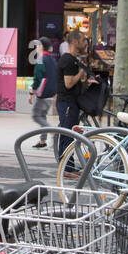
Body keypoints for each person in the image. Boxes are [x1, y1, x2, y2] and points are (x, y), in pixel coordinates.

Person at [55, 29, 88, 165]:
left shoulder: (73, 60)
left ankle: (69, 166)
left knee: (69, 133)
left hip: (71, 102)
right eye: (83, 40)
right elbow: (68, 83)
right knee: (68, 134)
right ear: (75, 41)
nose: (86, 43)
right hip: (67, 102)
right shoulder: (68, 60)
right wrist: (81, 73)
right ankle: (66, 168)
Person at [29, 36, 57, 146]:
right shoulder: (53, 60)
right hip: (51, 92)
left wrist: (31, 92)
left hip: (42, 92)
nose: (36, 47)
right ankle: (42, 140)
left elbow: (37, 78)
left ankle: (53, 132)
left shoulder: (40, 59)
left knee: (36, 115)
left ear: (41, 47)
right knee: (43, 115)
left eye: (37, 45)